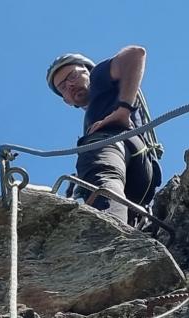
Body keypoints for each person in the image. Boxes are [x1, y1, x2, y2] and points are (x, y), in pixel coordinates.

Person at [46, 46, 160, 225]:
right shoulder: (99, 107)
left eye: (73, 76)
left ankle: (108, 239)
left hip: (112, 145)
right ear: (66, 100)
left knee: (101, 183)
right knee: (127, 218)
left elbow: (135, 54)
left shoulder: (98, 77)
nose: (70, 85)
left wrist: (123, 110)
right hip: (142, 172)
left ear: (88, 72)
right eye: (63, 87)